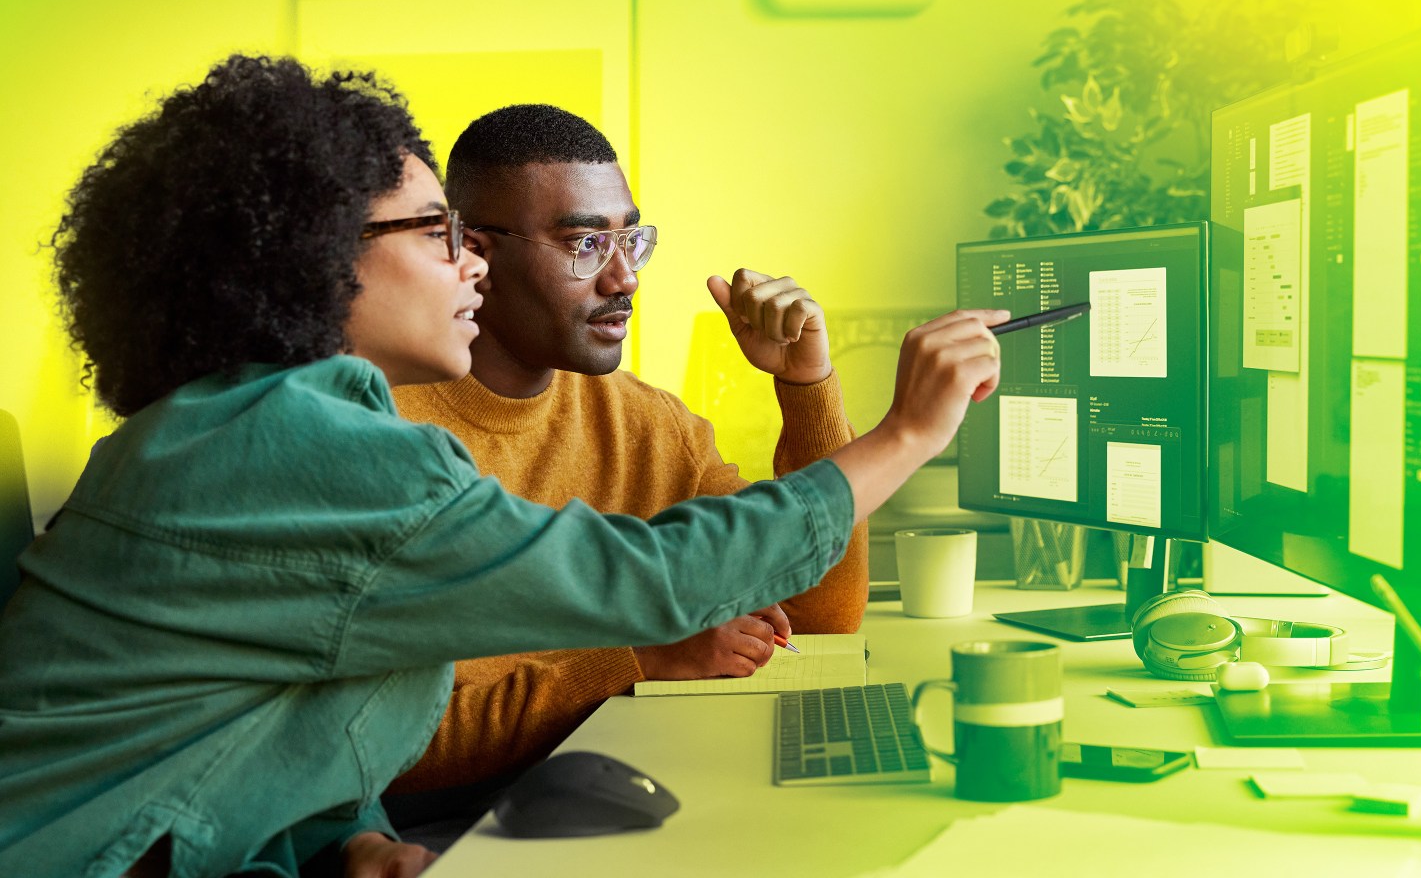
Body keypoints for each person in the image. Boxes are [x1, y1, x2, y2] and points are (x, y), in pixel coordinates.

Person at [0, 55, 1006, 878]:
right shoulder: (294, 447)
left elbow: (260, 712)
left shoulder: (248, 428)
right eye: (439, 234)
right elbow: (650, 582)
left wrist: (337, 841)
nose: (470, 262)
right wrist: (908, 432)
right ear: (316, 255)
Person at [388, 104, 867, 800]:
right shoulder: (385, 439)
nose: (625, 280)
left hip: (617, 781)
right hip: (451, 831)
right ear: (477, 253)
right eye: (585, 245)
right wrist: (640, 659)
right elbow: (395, 748)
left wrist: (806, 388)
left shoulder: (645, 423)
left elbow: (822, 612)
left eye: (631, 241)